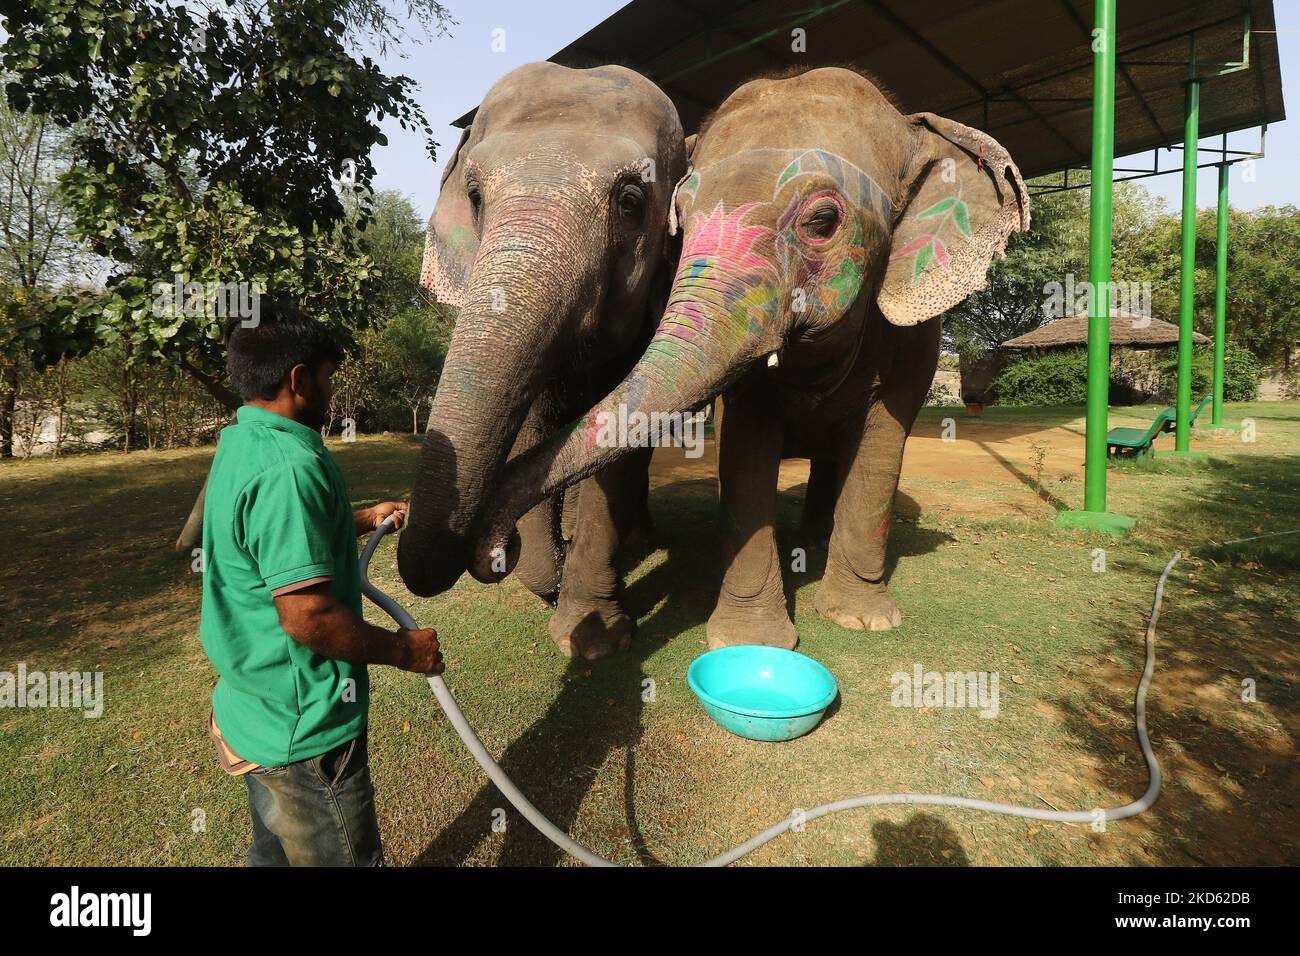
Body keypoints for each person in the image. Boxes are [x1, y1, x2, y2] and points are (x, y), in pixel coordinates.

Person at [199, 302, 442, 866]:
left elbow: (264, 541)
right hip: (303, 728)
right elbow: (307, 617)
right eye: (328, 377)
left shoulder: (243, 443)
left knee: (275, 854)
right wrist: (405, 650)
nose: (331, 391)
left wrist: (359, 518)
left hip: (257, 710)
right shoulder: (289, 468)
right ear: (299, 379)